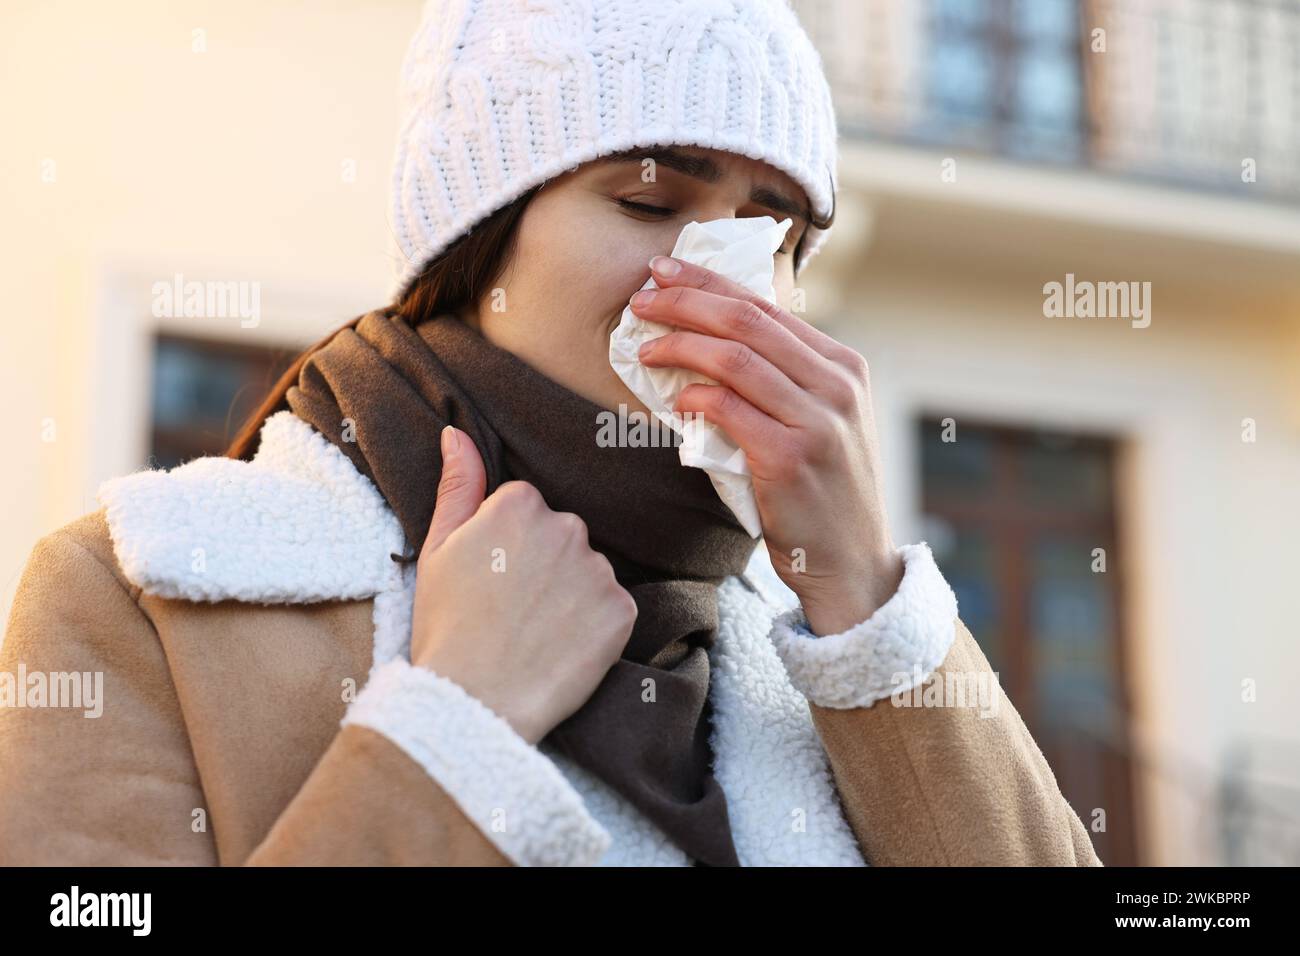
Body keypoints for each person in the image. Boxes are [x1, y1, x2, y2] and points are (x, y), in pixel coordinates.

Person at [0, 0, 1102, 866]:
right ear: (477, 248)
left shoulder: (810, 630)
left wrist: (865, 597)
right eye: (646, 200)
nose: (725, 280)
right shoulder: (138, 598)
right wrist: (454, 725)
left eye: (773, 234)